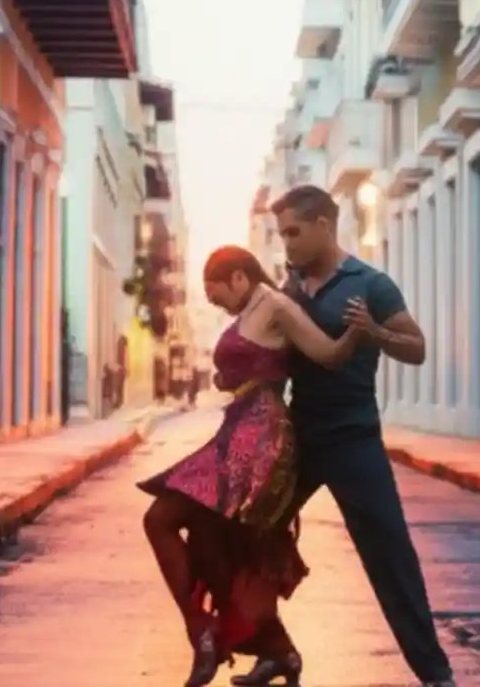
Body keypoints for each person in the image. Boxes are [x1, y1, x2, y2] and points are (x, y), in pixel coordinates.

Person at [246, 185, 456, 686]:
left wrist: (373, 332)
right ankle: (273, 650)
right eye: (281, 234)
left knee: (390, 555)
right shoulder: (290, 289)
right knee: (251, 532)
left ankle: (435, 674)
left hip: (354, 440)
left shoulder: (371, 284)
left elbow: (417, 347)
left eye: (294, 232)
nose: (287, 243)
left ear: (324, 225)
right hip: (300, 440)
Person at [138, 245, 365, 687]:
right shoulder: (250, 311)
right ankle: (269, 649)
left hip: (262, 440)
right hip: (237, 432)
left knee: (180, 524)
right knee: (209, 537)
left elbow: (328, 353)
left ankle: (211, 634)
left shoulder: (276, 306)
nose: (215, 303)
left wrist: (361, 329)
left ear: (239, 278)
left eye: (217, 293)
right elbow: (249, 367)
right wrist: (229, 378)